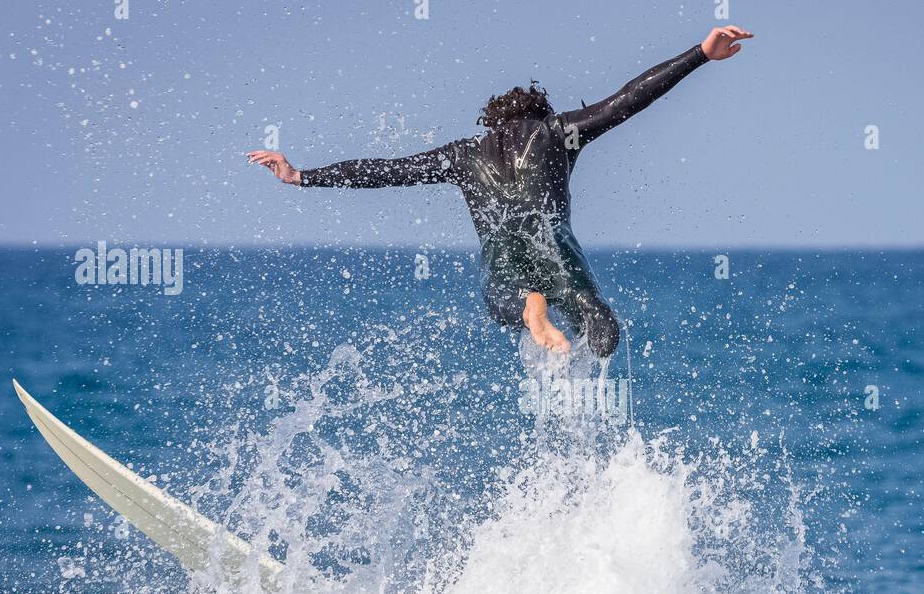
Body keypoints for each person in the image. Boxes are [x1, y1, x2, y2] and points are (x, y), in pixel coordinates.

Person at [249, 26, 752, 357]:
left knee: (506, 303)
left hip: (503, 258)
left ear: (493, 124)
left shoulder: (462, 154)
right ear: (540, 114)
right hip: (555, 250)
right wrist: (700, 55)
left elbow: (385, 170)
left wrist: (302, 176)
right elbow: (625, 101)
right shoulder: (559, 132)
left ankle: (531, 307)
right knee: (602, 334)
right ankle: (576, 384)